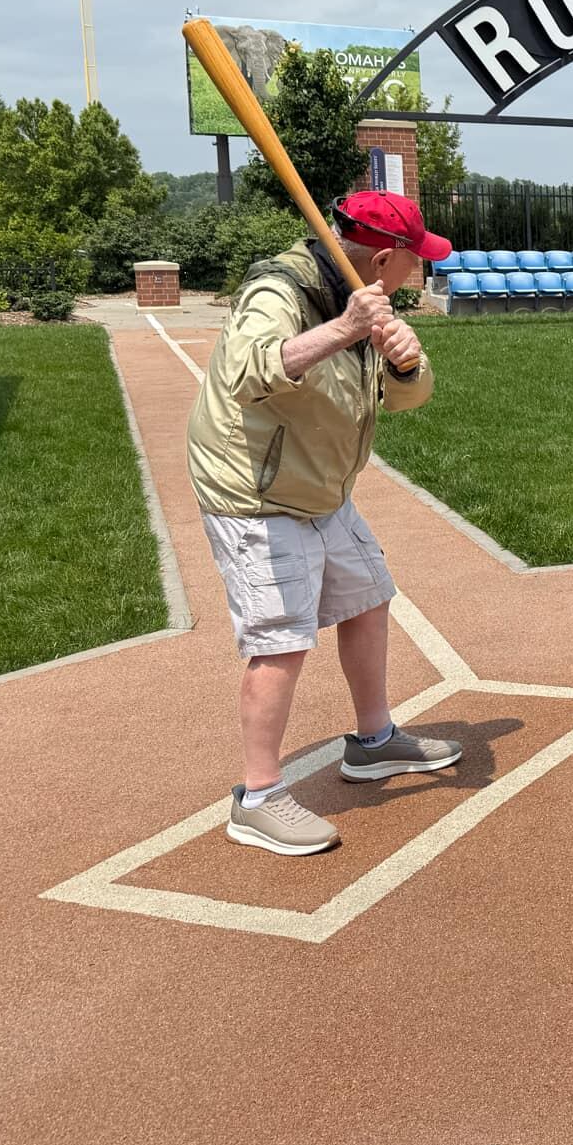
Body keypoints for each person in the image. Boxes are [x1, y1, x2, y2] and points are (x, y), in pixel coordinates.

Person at [186, 190, 459, 856]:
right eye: (413, 262)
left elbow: (408, 399)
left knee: (368, 595)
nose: (416, 273)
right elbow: (249, 369)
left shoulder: (371, 298)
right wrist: (343, 327)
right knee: (281, 637)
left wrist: (404, 361)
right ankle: (257, 797)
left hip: (320, 486)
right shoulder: (280, 292)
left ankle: (373, 743)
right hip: (255, 489)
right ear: (386, 258)